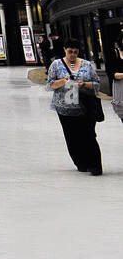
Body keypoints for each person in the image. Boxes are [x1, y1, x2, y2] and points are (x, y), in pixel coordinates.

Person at [46, 40, 102, 175]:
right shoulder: (56, 64)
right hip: (64, 107)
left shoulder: (87, 64)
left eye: (75, 52)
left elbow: (97, 84)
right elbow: (49, 85)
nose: (72, 54)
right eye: (70, 51)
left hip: (85, 107)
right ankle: (81, 162)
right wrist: (62, 82)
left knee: (89, 135)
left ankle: (95, 165)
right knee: (72, 137)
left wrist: (84, 84)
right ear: (65, 50)